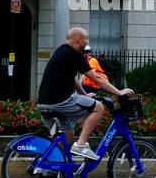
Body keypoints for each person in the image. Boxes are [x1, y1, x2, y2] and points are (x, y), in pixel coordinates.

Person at [36, 26, 134, 161]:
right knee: (98, 107)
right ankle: (81, 145)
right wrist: (119, 92)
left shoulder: (61, 51)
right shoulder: (74, 54)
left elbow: (72, 78)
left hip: (44, 104)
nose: (87, 42)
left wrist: (83, 95)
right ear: (78, 40)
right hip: (60, 101)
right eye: (86, 39)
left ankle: (54, 171)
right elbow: (97, 78)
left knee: (68, 140)